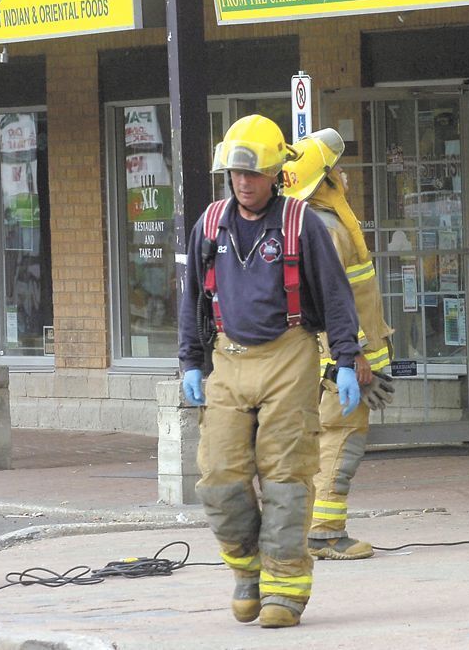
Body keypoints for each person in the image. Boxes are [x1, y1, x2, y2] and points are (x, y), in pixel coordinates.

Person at [178, 115, 362, 629]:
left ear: (276, 172)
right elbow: (192, 298)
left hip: (289, 356)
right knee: (218, 478)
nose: (243, 183)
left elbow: (336, 297)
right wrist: (190, 362)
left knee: (285, 479)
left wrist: (346, 360)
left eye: (253, 174)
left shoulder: (301, 224)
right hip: (228, 362)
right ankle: (247, 571)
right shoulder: (210, 225)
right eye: (235, 174)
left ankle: (285, 588)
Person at [281, 128, 395, 561]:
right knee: (340, 438)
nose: (345, 176)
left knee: (312, 442)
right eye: (338, 171)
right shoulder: (326, 227)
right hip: (337, 361)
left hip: (320, 357)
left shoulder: (304, 223)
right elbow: (329, 297)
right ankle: (325, 532)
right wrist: (352, 356)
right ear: (324, 180)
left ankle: (307, 527)